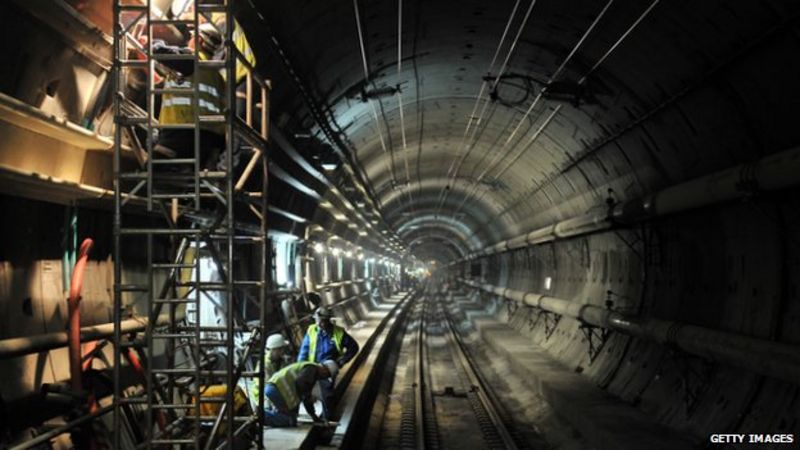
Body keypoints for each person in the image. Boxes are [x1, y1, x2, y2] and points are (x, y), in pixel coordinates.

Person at [152, 22, 226, 169]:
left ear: (199, 40)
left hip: (182, 133)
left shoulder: (192, 60)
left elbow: (158, 51)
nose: (188, 41)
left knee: (150, 175)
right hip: (209, 143)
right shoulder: (217, 77)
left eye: (191, 37)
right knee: (182, 182)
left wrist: (153, 42)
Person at [297, 305, 360, 419]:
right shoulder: (312, 330)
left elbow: (353, 347)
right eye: (318, 320)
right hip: (311, 367)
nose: (320, 323)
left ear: (328, 320)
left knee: (327, 395)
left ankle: (328, 419)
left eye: (323, 321)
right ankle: (314, 417)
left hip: (327, 369)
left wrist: (341, 361)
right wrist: (300, 366)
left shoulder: (338, 332)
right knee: (305, 393)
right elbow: (304, 349)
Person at [264, 360, 338, 427]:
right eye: (326, 375)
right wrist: (308, 396)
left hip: (274, 388)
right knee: (290, 421)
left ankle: (265, 415)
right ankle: (262, 416)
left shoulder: (311, 371)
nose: (324, 378)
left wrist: (314, 416)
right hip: (277, 389)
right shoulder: (312, 369)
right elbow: (301, 385)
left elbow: (305, 397)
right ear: (324, 369)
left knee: (292, 417)